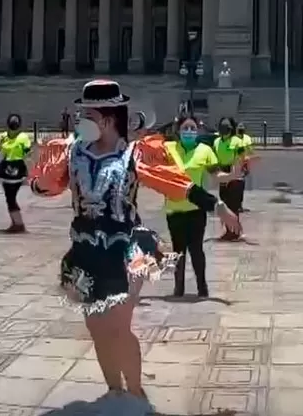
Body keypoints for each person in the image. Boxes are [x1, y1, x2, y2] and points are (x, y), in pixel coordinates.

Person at [29, 79, 241, 412]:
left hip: (125, 249)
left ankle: (136, 392)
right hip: (84, 251)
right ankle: (115, 392)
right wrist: (43, 171)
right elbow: (42, 188)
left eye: (88, 114)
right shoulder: (71, 152)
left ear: (108, 118)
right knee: (96, 327)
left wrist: (218, 207)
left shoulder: (135, 153)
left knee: (118, 325)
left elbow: (178, 185)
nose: (81, 119)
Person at [163, 115, 242, 297]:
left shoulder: (204, 150)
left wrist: (232, 176)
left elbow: (216, 175)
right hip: (173, 209)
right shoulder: (168, 149)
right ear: (178, 130)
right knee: (178, 251)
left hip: (196, 209)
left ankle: (202, 287)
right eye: (185, 128)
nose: (189, 132)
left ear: (197, 131)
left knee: (196, 249)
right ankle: (179, 287)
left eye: (192, 128)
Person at [213, 116, 252, 241]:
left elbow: (243, 156)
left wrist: (244, 168)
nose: (225, 130)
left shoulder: (237, 141)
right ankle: (228, 230)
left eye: (227, 128)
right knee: (224, 203)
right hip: (223, 173)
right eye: (222, 127)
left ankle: (234, 232)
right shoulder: (216, 142)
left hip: (235, 173)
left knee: (233, 205)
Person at [0, 113, 33, 234]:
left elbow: (28, 153)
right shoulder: (3, 136)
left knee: (11, 197)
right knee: (9, 197)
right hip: (6, 168)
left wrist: (31, 169)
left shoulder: (23, 137)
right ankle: (15, 223)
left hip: (17, 168)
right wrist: (0, 143)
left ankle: (19, 224)